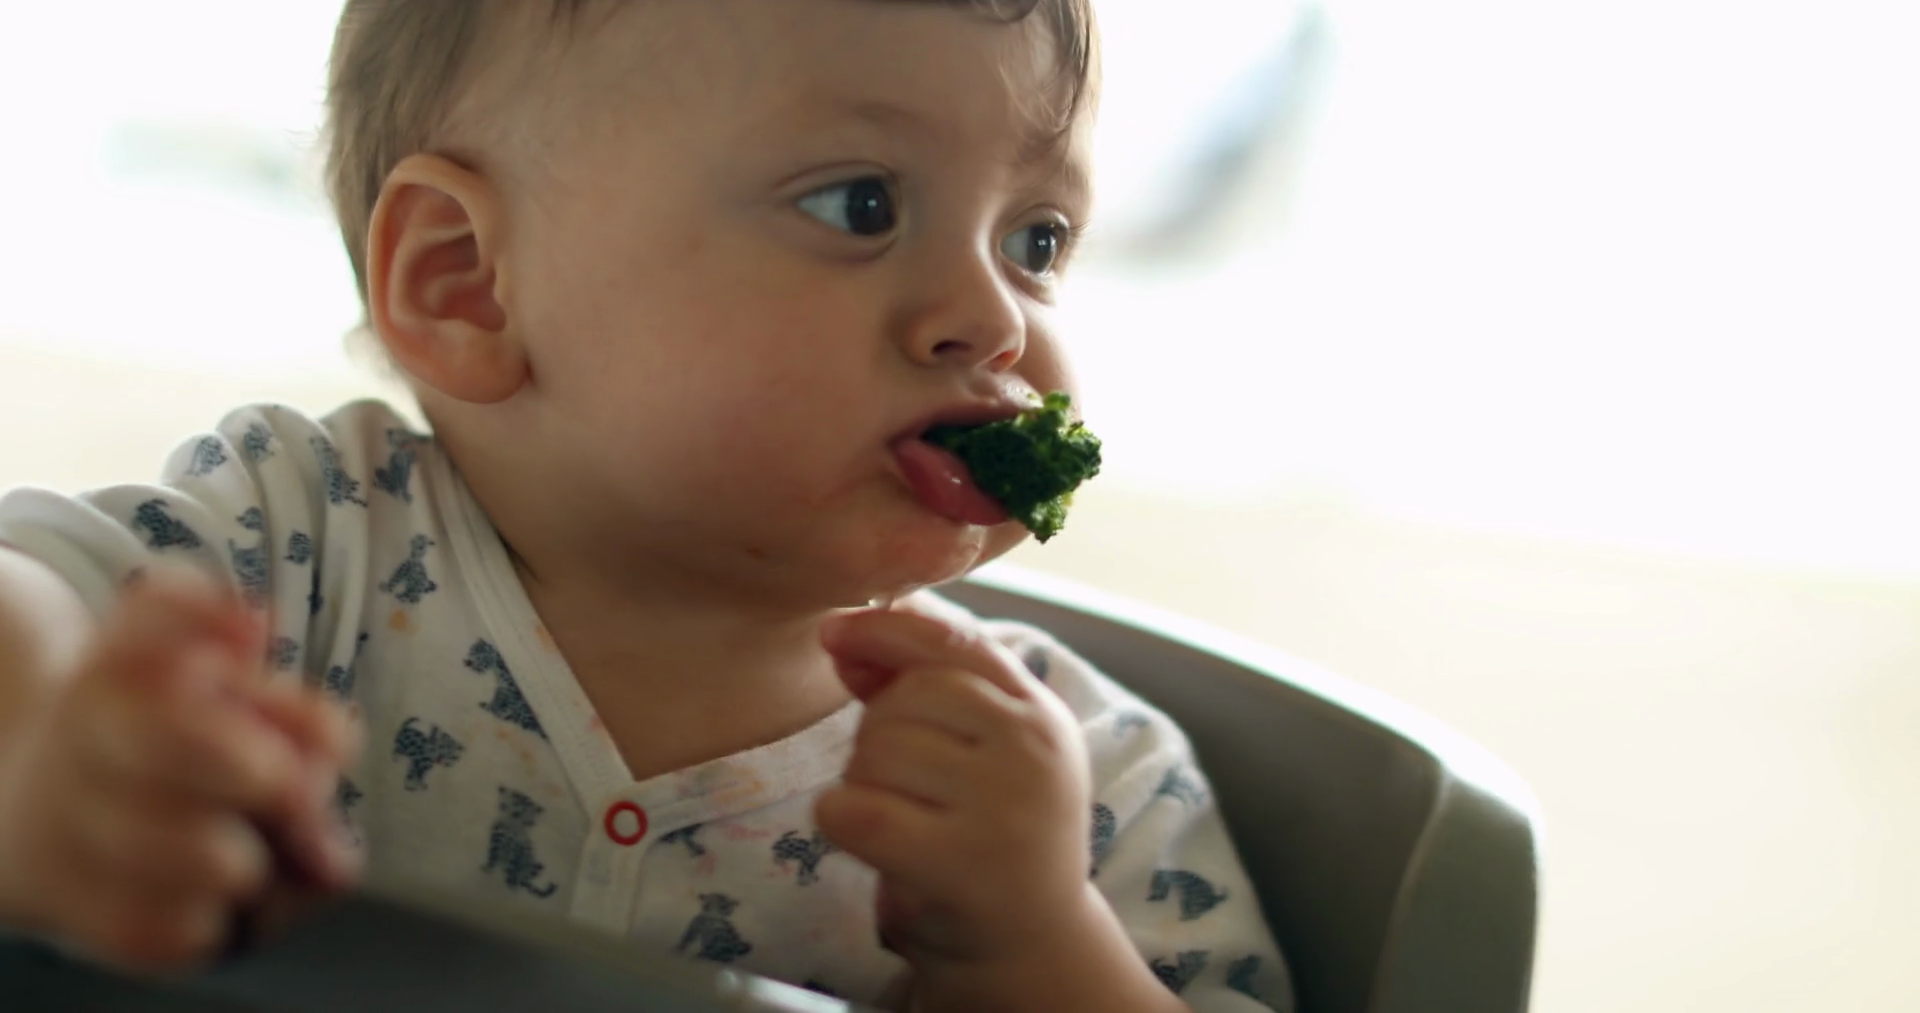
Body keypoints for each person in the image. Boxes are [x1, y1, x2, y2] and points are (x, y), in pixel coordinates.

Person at [0, 2, 1292, 1010]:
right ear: (468, 285)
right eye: (862, 205)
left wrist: (1037, 947)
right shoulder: (289, 547)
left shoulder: (1071, 784)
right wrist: (51, 761)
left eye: (1038, 240)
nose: (990, 317)